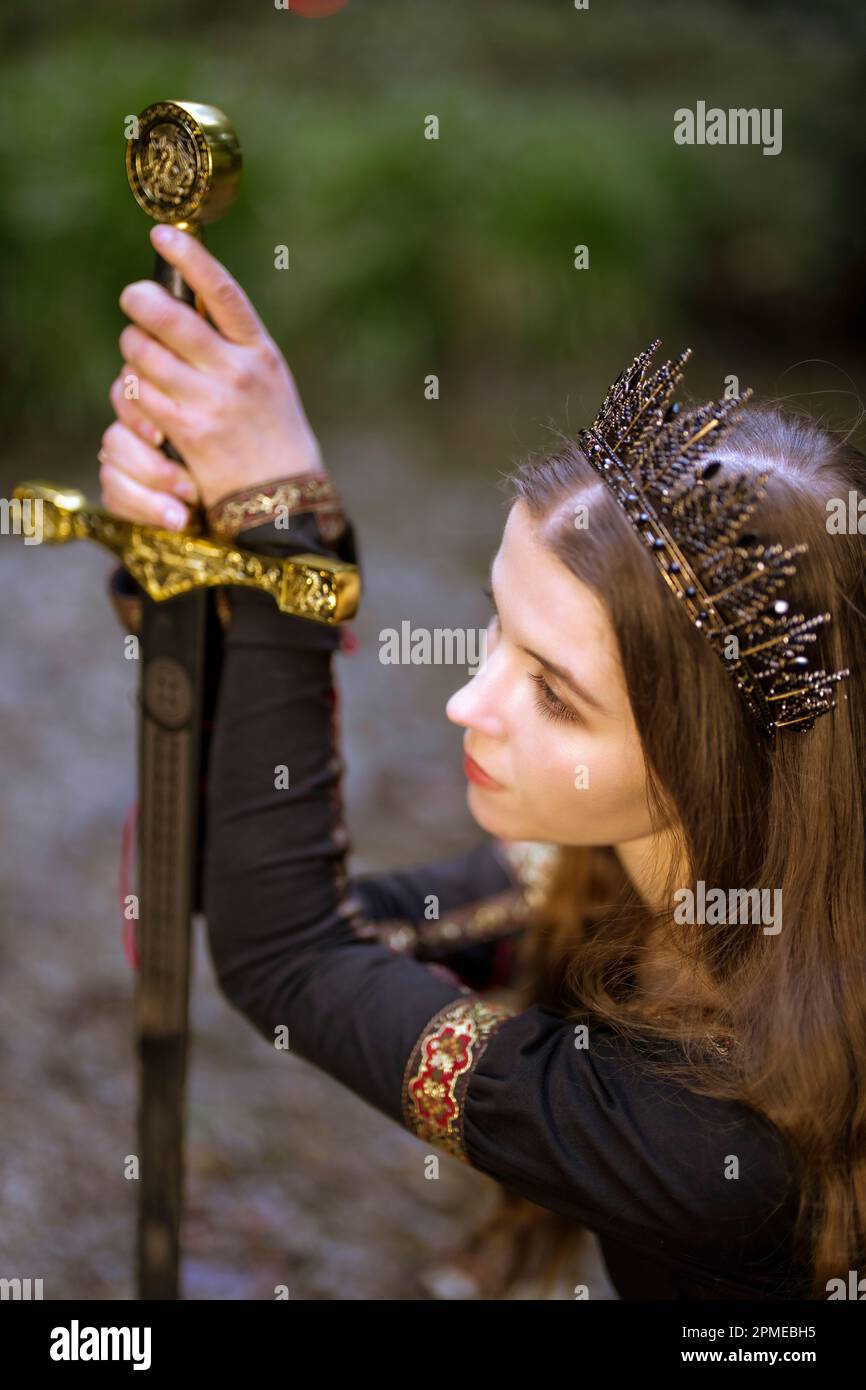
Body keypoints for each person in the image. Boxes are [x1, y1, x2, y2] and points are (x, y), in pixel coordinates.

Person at [100, 222, 865, 1301]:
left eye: (552, 692)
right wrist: (192, 589)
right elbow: (215, 897)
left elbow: (285, 955)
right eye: (493, 624)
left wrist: (288, 538)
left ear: (711, 766)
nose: (467, 700)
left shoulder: (709, 1136)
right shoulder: (625, 872)